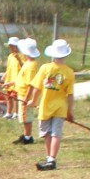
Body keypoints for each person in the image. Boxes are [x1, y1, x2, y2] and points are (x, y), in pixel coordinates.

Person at [26, 38, 76, 171]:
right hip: (61, 107)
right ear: (65, 54)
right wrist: (70, 111)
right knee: (56, 133)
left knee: (47, 133)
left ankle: (50, 158)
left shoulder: (45, 68)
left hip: (45, 106)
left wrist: (33, 101)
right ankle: (51, 158)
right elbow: (70, 95)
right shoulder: (69, 72)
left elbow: (37, 88)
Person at [12, 38, 40, 144]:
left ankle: (27, 138)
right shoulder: (28, 63)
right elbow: (22, 78)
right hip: (22, 94)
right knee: (23, 116)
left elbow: (31, 84)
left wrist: (27, 98)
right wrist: (11, 83)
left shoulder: (31, 66)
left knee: (26, 117)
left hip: (25, 95)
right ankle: (26, 135)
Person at [1, 36, 24, 119]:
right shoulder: (10, 56)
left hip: (16, 80)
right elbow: (9, 67)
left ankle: (16, 113)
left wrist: (19, 59)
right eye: (10, 46)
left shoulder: (22, 55)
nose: (11, 48)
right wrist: (5, 74)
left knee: (15, 96)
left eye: (12, 46)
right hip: (9, 78)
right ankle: (8, 112)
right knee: (8, 96)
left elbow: (24, 67)